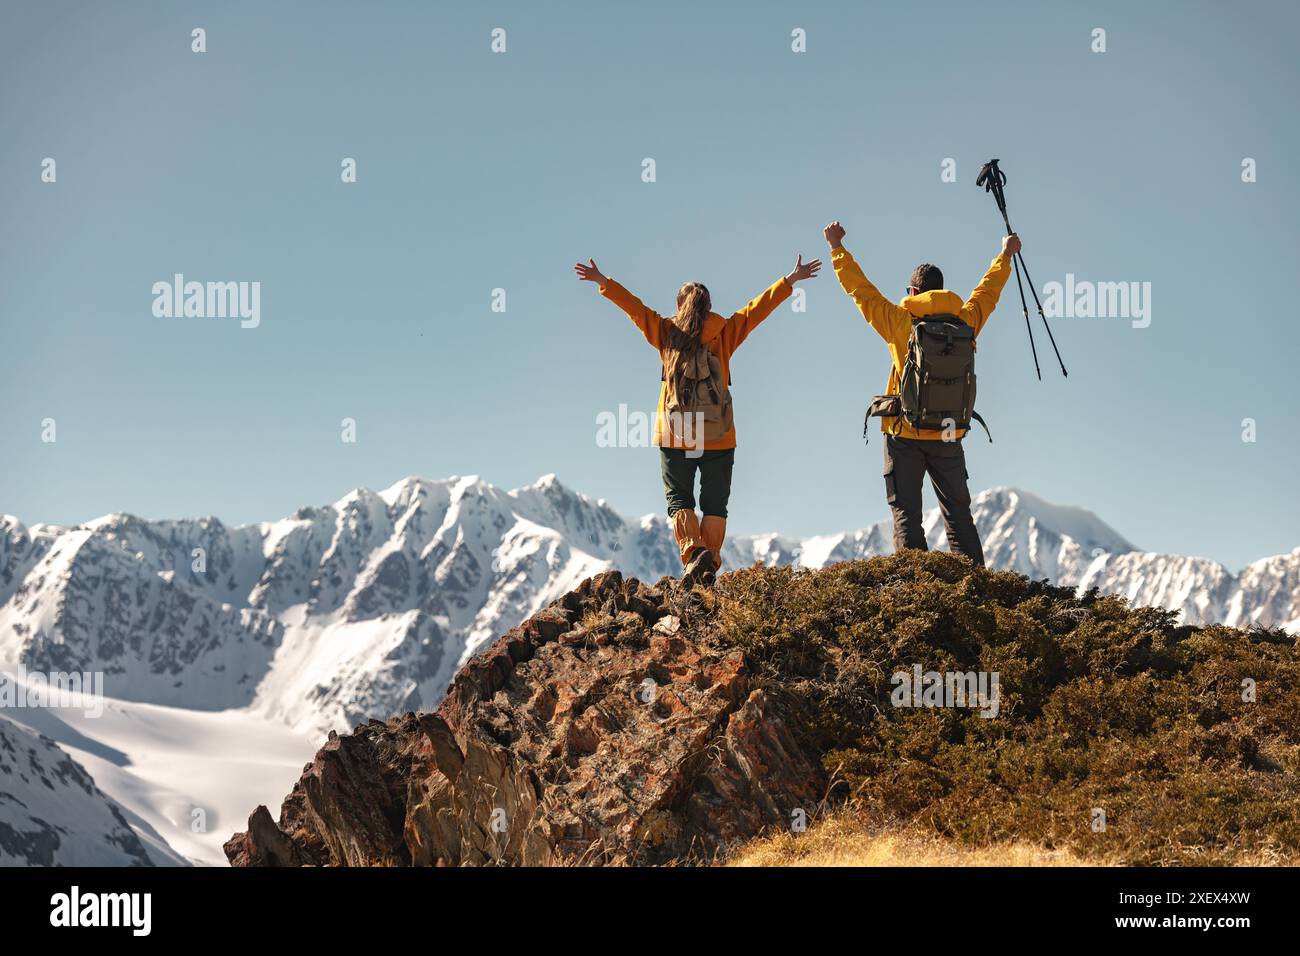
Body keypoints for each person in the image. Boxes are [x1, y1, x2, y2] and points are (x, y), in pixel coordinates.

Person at [575, 254, 821, 583]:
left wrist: (603, 282)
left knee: (679, 498)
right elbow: (755, 311)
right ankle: (710, 560)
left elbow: (635, 308)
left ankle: (693, 552)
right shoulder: (725, 332)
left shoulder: (665, 332)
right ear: (709, 306)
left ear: (679, 306)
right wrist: (789, 281)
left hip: (676, 434)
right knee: (715, 501)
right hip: (719, 433)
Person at [823, 220, 1020, 565]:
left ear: (912, 292)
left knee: (907, 516)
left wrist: (837, 249)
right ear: (942, 291)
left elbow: (861, 291)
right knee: (958, 516)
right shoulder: (966, 321)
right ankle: (974, 589)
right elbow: (988, 292)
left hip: (905, 434)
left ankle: (919, 595)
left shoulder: (900, 321)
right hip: (948, 432)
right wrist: (1004, 256)